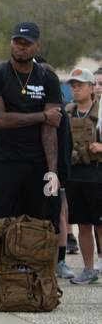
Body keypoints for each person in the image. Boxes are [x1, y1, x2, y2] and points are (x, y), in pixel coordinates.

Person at [0, 22, 62, 309]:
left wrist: (52, 170)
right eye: (17, 41)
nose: (21, 46)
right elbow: (1, 119)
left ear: (37, 46)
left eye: (26, 42)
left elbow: (51, 130)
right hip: (4, 163)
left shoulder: (47, 77)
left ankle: (35, 288)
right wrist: (41, 116)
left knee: (37, 226)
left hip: (37, 163)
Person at [63, 66, 102, 284]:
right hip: (74, 175)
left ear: (90, 88)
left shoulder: (100, 112)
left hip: (96, 173)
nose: (76, 90)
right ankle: (88, 269)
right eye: (73, 86)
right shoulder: (68, 112)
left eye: (80, 86)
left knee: (100, 224)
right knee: (82, 225)